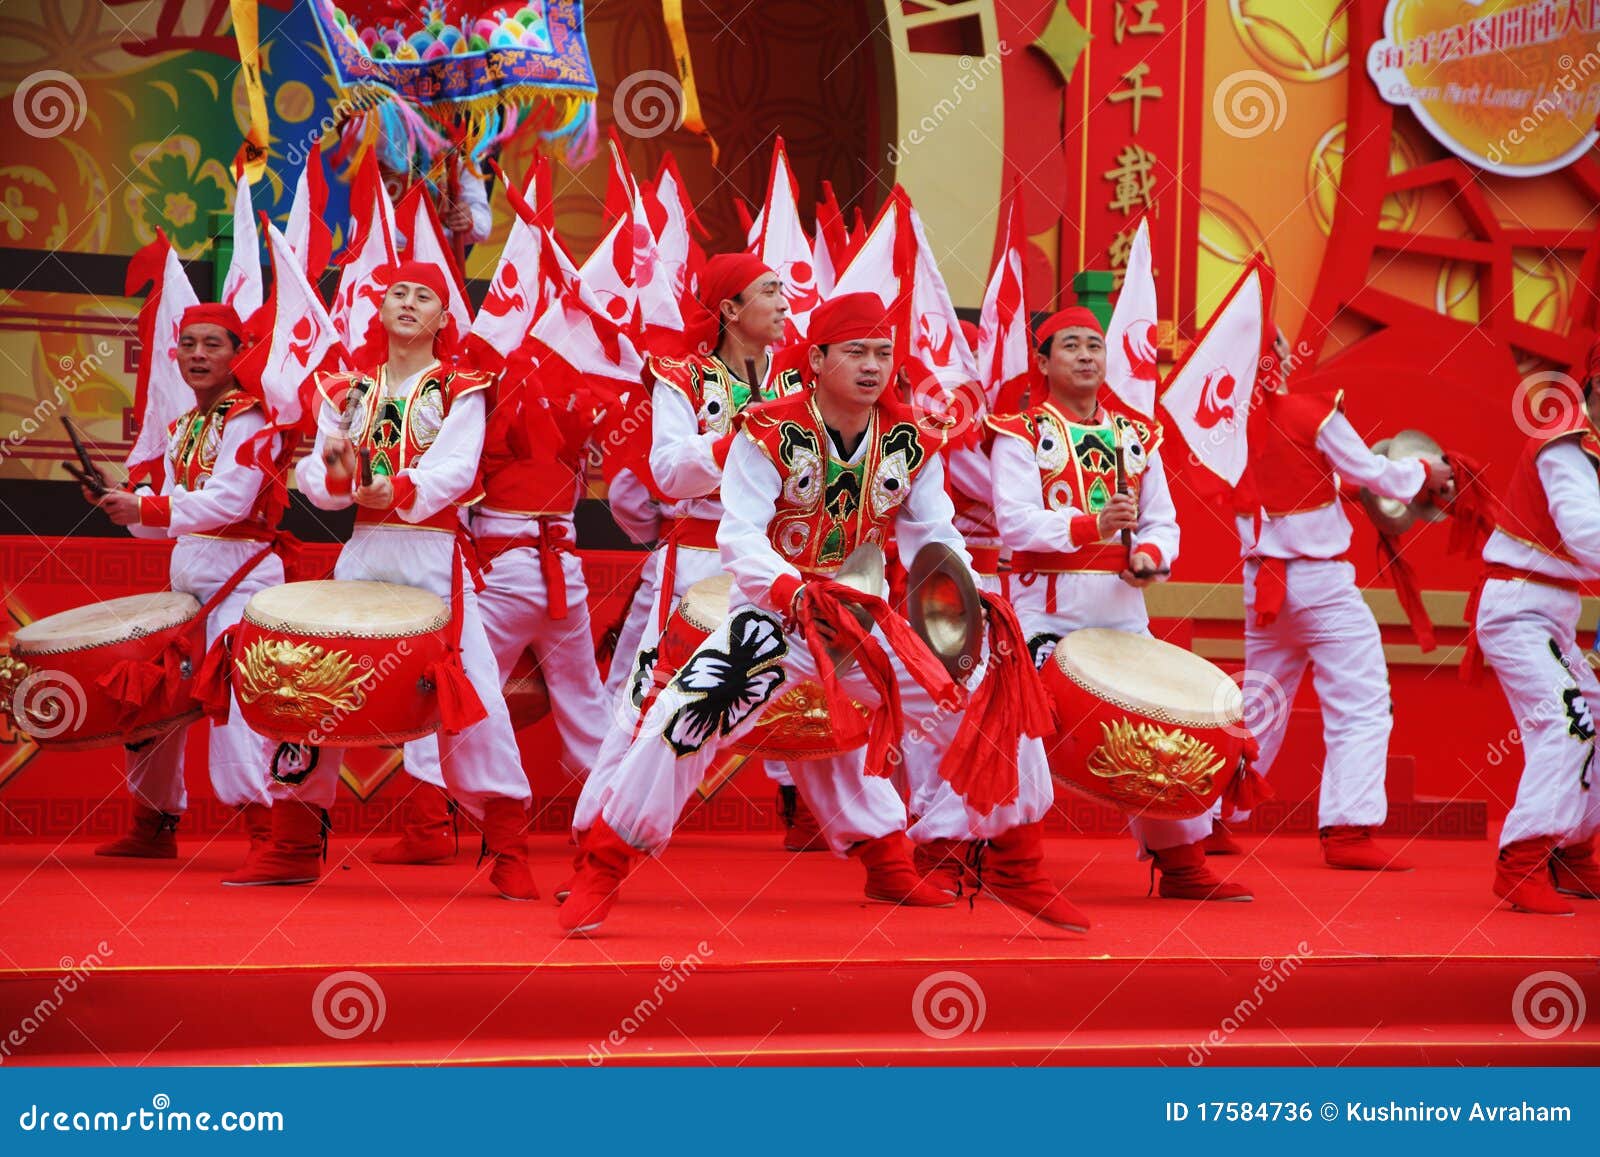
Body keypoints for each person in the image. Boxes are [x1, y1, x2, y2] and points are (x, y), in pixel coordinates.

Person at [559, 293, 1079, 935]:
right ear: (818, 358)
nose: (871, 367)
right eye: (855, 352)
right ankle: (604, 865)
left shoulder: (911, 441)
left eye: (883, 353)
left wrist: (974, 599)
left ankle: (1018, 863)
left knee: (987, 692)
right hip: (773, 621)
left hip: (859, 619)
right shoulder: (768, 431)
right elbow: (740, 535)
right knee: (686, 714)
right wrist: (789, 591)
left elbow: (933, 535)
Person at [234, 260, 535, 898]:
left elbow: (456, 471)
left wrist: (391, 486)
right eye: (396, 292)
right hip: (365, 552)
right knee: (315, 681)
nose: (407, 302)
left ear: (443, 319)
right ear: (379, 309)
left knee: (472, 694)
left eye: (423, 296)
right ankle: (292, 843)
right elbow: (317, 477)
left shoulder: (463, 385)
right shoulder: (345, 389)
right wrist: (340, 478)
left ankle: (509, 846)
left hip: (433, 555)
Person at [989, 306, 1253, 902]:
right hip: (1043, 613)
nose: (1086, 356)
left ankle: (1181, 861)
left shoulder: (1137, 434)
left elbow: (1164, 520)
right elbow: (1016, 522)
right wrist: (1090, 526)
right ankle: (1005, 856)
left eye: (1094, 346)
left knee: (1159, 728)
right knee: (1022, 729)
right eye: (1071, 346)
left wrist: (1149, 558)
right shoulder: (1020, 432)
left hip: (1122, 614)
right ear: (1042, 361)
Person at [572, 252, 822, 872]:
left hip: (775, 559)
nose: (785, 302)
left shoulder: (799, 380)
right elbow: (666, 472)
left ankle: (861, 839)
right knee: (650, 698)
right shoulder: (681, 376)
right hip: (697, 557)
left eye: (785, 290)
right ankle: (595, 836)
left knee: (809, 691)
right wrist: (742, 435)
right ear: (731, 310)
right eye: (769, 291)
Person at [374, 354, 610, 865]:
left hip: (503, 570)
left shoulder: (483, 391)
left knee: (454, 697)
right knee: (586, 703)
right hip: (564, 573)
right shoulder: (579, 390)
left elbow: (452, 492)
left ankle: (428, 827)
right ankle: (606, 827)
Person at [1234, 329, 1452, 871]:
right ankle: (1348, 830)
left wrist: (1339, 490)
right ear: (1279, 357)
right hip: (1321, 586)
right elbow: (1369, 469)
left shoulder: (1220, 425)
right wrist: (1424, 471)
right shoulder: (1311, 413)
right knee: (1360, 702)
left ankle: (1207, 821)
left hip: (1264, 585)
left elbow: (1299, 481)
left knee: (1259, 706)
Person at [89, 304, 283, 873]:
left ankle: (266, 834)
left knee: (237, 708)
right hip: (189, 582)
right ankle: (154, 824)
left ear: (236, 354)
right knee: (153, 699)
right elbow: (159, 524)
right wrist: (121, 503)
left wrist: (147, 503)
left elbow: (231, 502)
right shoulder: (186, 426)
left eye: (212, 345)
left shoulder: (249, 418)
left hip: (242, 579)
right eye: (188, 345)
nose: (198, 355)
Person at [1462, 347, 1600, 914]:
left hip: (1549, 608)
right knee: (1567, 723)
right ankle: (1520, 860)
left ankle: (1573, 849)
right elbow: (1585, 529)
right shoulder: (1563, 442)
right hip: (1520, 607)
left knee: (1592, 714)